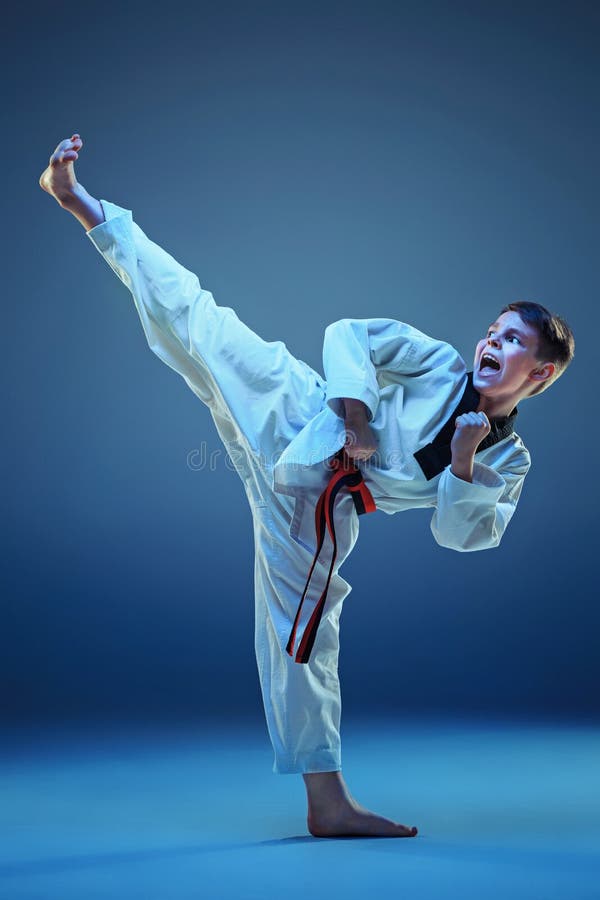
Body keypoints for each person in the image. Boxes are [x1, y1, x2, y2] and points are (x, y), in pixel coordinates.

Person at [39, 134, 575, 838]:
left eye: (512, 345)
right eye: (493, 332)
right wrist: (356, 419)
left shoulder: (510, 461)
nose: (491, 346)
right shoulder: (440, 365)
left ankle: (328, 804)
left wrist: (467, 463)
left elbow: (459, 535)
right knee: (199, 324)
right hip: (297, 408)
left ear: (538, 376)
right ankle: (84, 205)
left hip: (314, 509)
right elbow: (349, 333)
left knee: (305, 637)